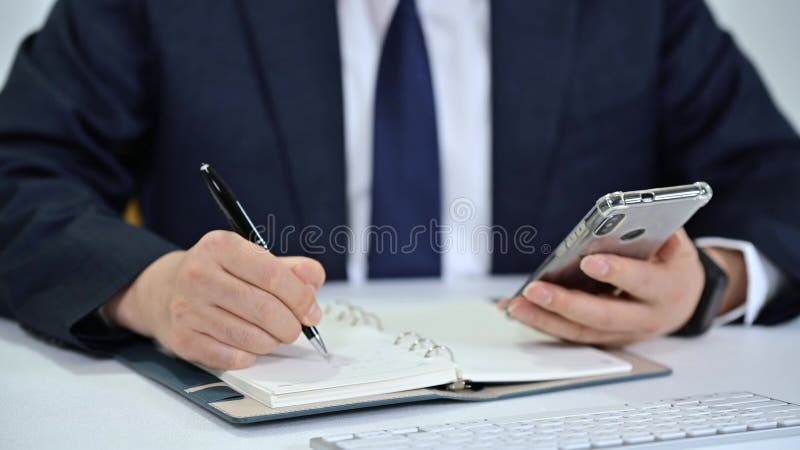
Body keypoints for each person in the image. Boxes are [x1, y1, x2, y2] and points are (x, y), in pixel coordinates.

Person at [1, 0, 798, 371]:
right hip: (268, 398)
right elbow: (19, 173)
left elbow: (781, 180)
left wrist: (711, 287)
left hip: (575, 403)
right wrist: (152, 286)